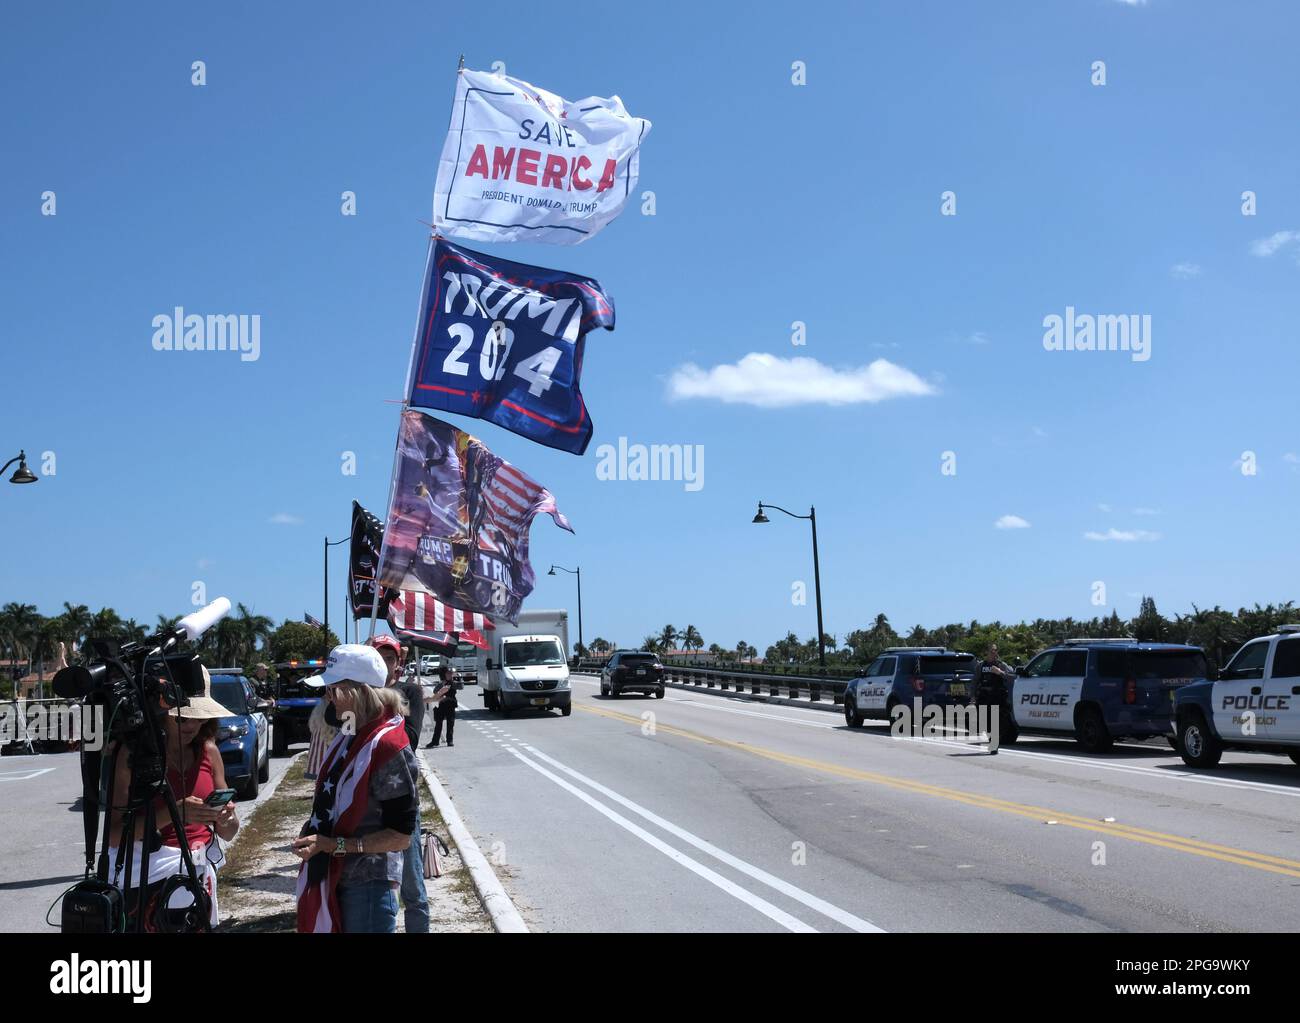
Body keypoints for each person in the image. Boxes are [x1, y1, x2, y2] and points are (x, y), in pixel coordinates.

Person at [293, 644, 420, 933]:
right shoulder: (350, 737)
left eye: (332, 690)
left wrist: (334, 845)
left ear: (357, 692)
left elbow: (401, 837)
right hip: (340, 879)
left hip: (368, 888)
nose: (328, 698)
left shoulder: (388, 746)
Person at [105, 667, 240, 930]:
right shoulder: (133, 756)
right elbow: (113, 835)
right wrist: (172, 815)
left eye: (199, 719)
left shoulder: (209, 752)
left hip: (196, 878)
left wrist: (226, 817)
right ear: (160, 713)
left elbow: (229, 832)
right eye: (182, 718)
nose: (192, 726)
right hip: (146, 883)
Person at [367, 634, 429, 934]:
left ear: (398, 663)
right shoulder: (360, 695)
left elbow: (412, 739)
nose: (384, 663)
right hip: (365, 804)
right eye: (377, 658)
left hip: (400, 798)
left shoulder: (410, 692)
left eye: (389, 658)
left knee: (412, 887)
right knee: (373, 885)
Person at [976, 644, 1015, 755]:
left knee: (998, 722)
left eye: (995, 650)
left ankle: (994, 744)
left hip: (998, 697)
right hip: (984, 698)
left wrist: (1000, 672)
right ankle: (992, 740)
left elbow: (1013, 677)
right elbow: (975, 681)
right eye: (991, 651)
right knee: (986, 723)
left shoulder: (1002, 665)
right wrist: (973, 696)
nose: (994, 653)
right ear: (986, 652)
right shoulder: (981, 666)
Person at [427, 664, 459, 748]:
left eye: (451, 673)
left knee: (450, 724)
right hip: (441, 705)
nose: (450, 675)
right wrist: (441, 685)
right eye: (448, 673)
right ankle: (435, 741)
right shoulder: (441, 683)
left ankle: (450, 740)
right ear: (444, 674)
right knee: (438, 724)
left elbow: (458, 688)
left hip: (450, 705)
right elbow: (435, 691)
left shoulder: (453, 683)